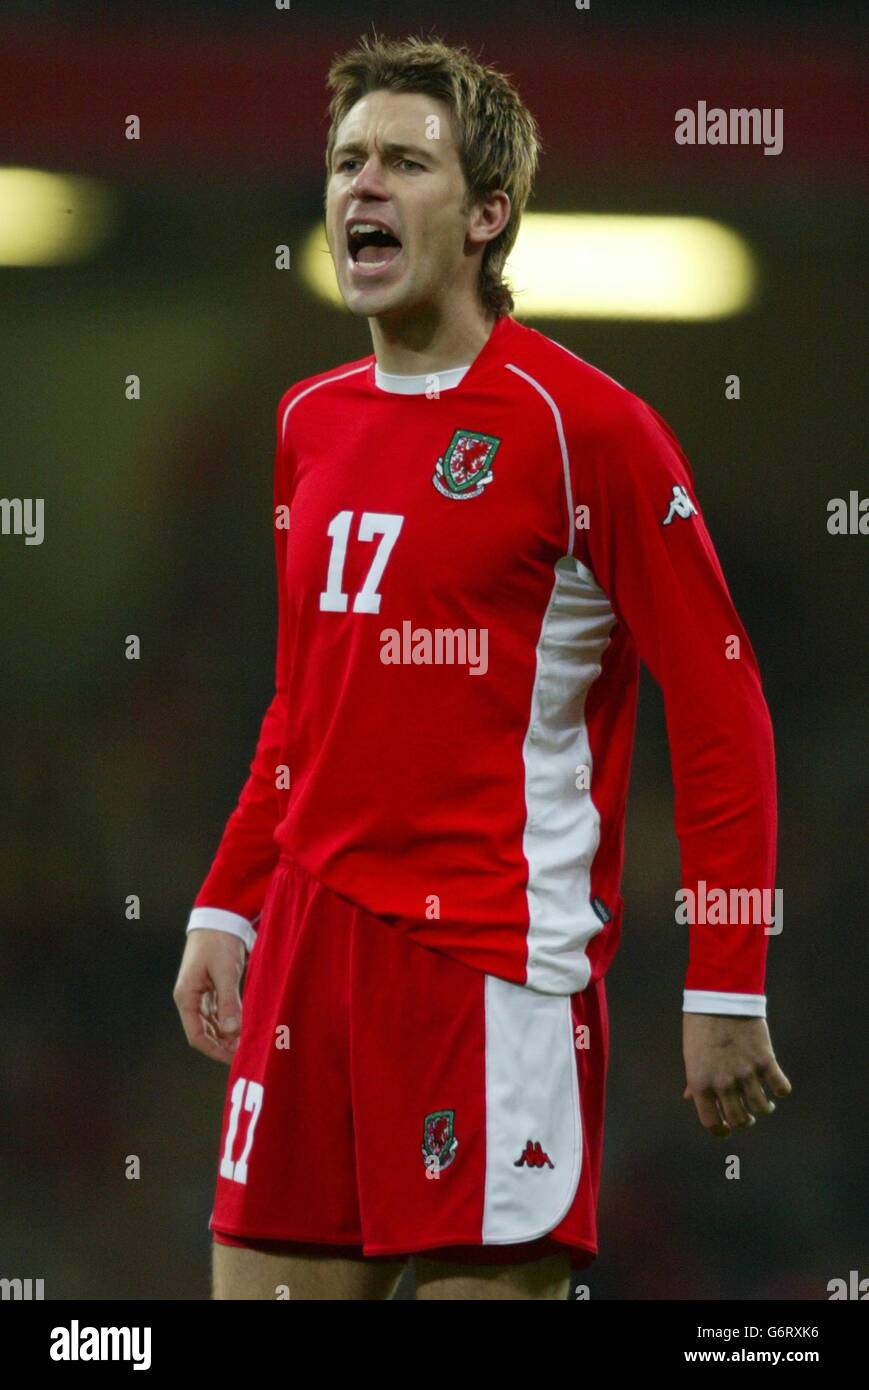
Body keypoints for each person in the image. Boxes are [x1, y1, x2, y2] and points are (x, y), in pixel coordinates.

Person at [173, 33, 791, 1302]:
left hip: (488, 970)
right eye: (346, 161)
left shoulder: (588, 431)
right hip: (305, 946)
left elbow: (720, 698)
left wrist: (726, 972)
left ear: (487, 213)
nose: (361, 187)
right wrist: (228, 903)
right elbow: (303, 701)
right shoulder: (308, 422)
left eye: (404, 161)